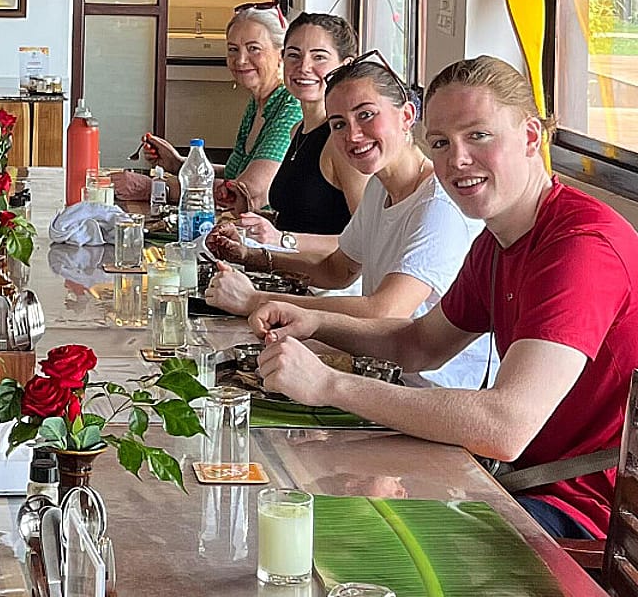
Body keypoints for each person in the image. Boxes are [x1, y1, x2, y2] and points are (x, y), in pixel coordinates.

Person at [250, 55, 638, 540]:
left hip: (586, 512)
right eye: (441, 143)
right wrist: (316, 324)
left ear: (531, 137)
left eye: (478, 136)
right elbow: (419, 344)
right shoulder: (496, 243)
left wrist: (329, 385)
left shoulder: (580, 246)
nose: (457, 159)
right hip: (518, 483)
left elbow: (505, 425)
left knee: (342, 533)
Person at [205, 52, 490, 388]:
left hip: (430, 388)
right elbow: (337, 270)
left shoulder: (439, 205)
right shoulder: (379, 188)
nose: (353, 135)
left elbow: (386, 311)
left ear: (407, 116)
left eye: (366, 115)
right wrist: (252, 258)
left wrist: (257, 300)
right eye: (339, 124)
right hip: (380, 369)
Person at [114, 4, 303, 211]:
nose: (240, 60)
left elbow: (248, 192)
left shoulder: (290, 106)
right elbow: (235, 174)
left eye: (253, 49)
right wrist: (179, 164)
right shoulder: (257, 104)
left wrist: (155, 187)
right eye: (233, 49)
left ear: (281, 54)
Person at [250, 12, 369, 236]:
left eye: (319, 57)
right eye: (294, 55)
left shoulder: (344, 141)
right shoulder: (299, 129)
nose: (304, 67)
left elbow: (363, 244)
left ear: (346, 65)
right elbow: (299, 219)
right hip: (284, 266)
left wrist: (280, 240)